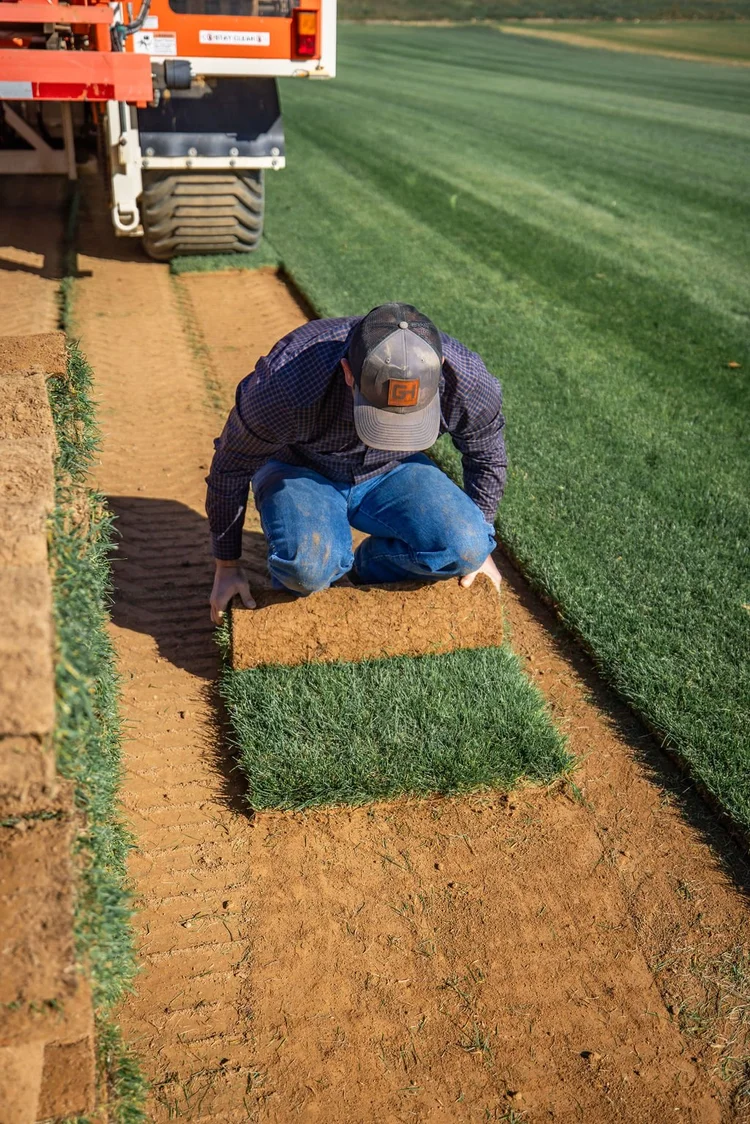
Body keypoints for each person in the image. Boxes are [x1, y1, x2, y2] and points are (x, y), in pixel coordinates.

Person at [207, 302, 507, 624]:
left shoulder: (468, 381)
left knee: (467, 545)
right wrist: (227, 565)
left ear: (440, 368)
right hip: (299, 469)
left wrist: (480, 550)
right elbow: (231, 467)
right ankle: (316, 565)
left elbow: (486, 455)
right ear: (348, 372)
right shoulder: (286, 382)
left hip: (393, 469)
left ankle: (369, 566)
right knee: (307, 569)